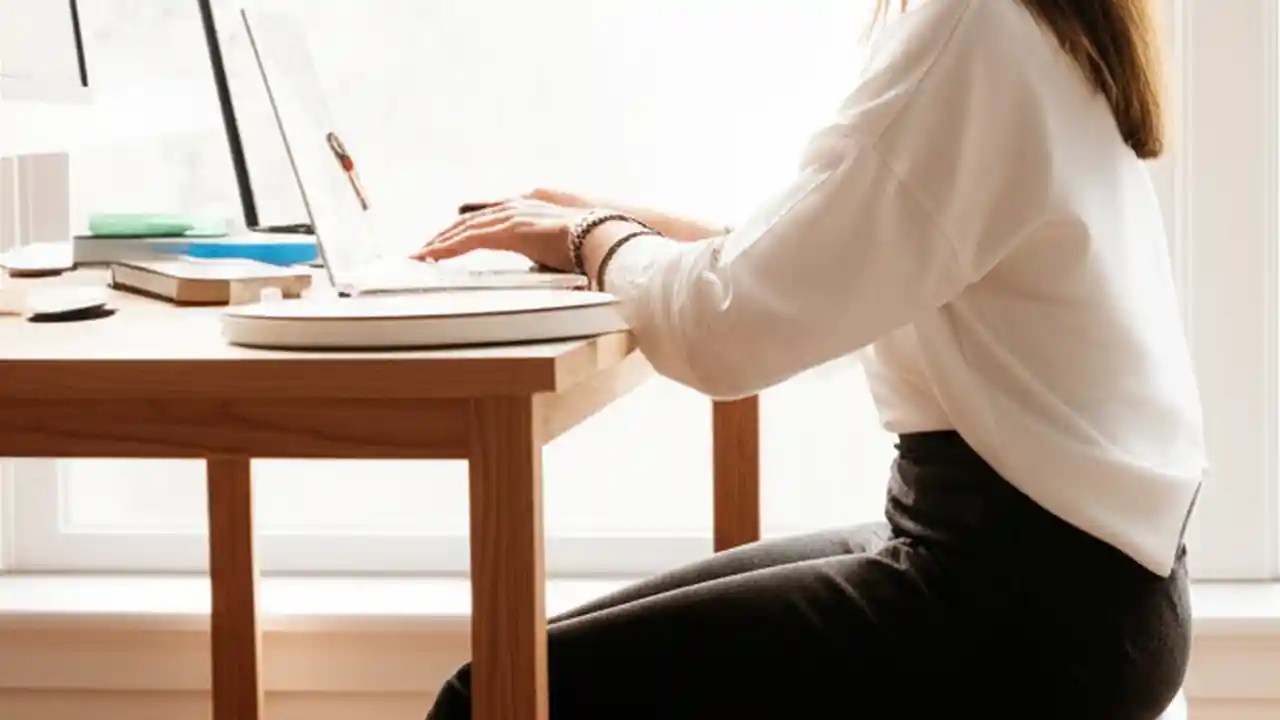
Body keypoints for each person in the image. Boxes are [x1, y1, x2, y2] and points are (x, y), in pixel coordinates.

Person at [416, 0, 1204, 717]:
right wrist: (611, 228)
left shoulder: (978, 28)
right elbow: (822, 263)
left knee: (494, 701)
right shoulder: (1035, 23)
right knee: (514, 675)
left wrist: (593, 241)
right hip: (1072, 582)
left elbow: (726, 331)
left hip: (1029, 605)